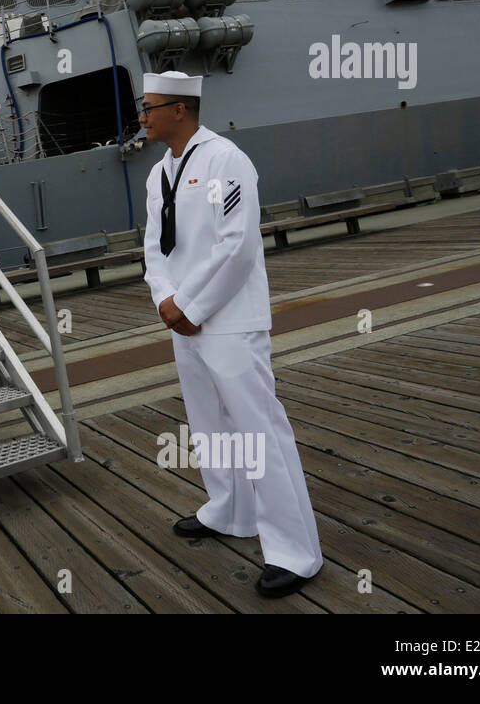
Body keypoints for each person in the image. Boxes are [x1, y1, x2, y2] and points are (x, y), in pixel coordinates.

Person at [139, 70, 323, 599]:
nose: (143, 116)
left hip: (229, 319)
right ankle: (230, 511)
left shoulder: (226, 160)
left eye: (150, 107)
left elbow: (237, 245)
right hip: (182, 318)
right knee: (208, 423)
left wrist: (191, 305)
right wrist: (166, 302)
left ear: (180, 110)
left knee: (259, 431)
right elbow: (155, 246)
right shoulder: (160, 173)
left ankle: (295, 552)